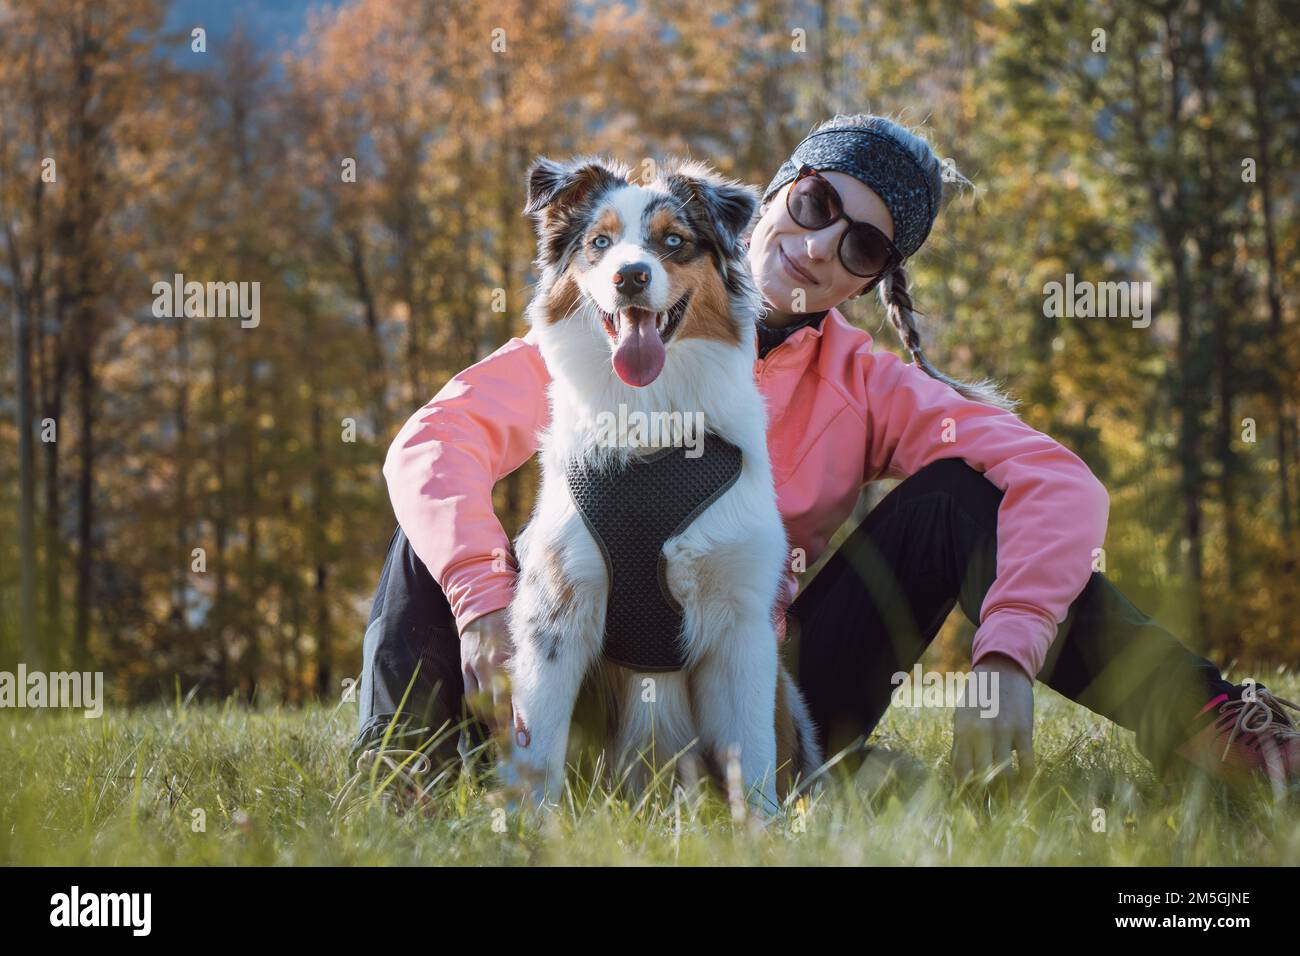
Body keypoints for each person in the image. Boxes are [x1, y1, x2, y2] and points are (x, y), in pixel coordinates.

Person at [345, 113, 1300, 809]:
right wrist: (480, 597)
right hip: (582, 677)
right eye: (814, 203)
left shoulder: (864, 381)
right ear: (774, 190)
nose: (818, 247)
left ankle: (1217, 732)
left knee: (964, 497)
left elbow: (1057, 482)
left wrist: (1007, 651)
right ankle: (405, 778)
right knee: (433, 523)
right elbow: (434, 442)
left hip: (759, 685)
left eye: (863, 244)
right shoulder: (608, 327)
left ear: (875, 278)